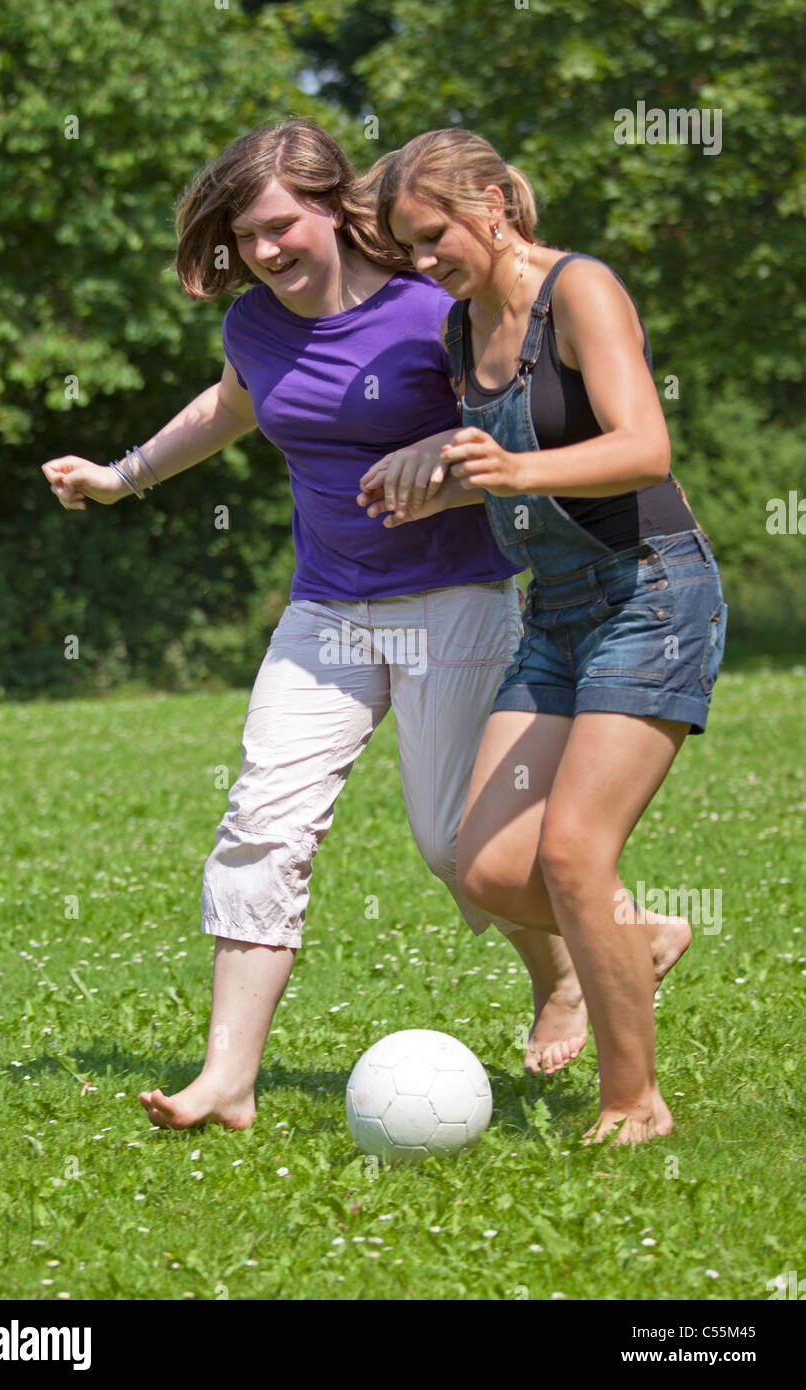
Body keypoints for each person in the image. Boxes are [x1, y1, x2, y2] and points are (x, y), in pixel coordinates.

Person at [41, 118, 604, 1134]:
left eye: (273, 227)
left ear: (329, 204)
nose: (260, 253)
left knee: (452, 845)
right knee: (260, 823)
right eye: (240, 237)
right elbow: (228, 407)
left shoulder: (433, 300)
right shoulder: (255, 326)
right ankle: (227, 1080)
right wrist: (121, 474)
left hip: (455, 599)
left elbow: (526, 406)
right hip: (325, 608)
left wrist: (442, 441)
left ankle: (575, 965)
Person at [365, 127, 726, 1144]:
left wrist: (508, 472)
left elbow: (640, 445)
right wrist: (429, 479)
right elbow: (505, 453)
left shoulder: (581, 290)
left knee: (572, 856)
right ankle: (634, 934)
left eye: (431, 235)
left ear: (491, 201)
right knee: (482, 867)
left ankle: (632, 1102)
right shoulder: (457, 328)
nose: (424, 262)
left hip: (649, 595)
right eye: (406, 250)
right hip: (553, 611)